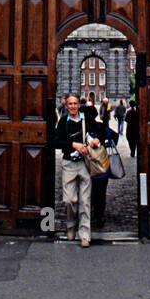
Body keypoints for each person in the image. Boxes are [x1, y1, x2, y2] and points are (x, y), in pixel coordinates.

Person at [55, 91, 102, 246]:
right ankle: (70, 225)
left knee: (85, 201)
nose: (73, 106)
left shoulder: (87, 119)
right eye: (70, 104)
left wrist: (96, 139)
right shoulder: (63, 122)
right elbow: (56, 141)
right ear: (66, 105)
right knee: (69, 200)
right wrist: (73, 145)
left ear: (79, 105)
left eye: (75, 103)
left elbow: (102, 130)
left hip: (85, 164)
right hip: (69, 164)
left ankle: (84, 234)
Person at [90, 107, 119, 230]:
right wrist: (105, 145)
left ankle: (89, 215)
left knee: (88, 192)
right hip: (101, 166)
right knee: (100, 192)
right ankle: (99, 215)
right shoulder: (101, 127)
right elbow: (114, 136)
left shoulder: (83, 127)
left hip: (87, 166)